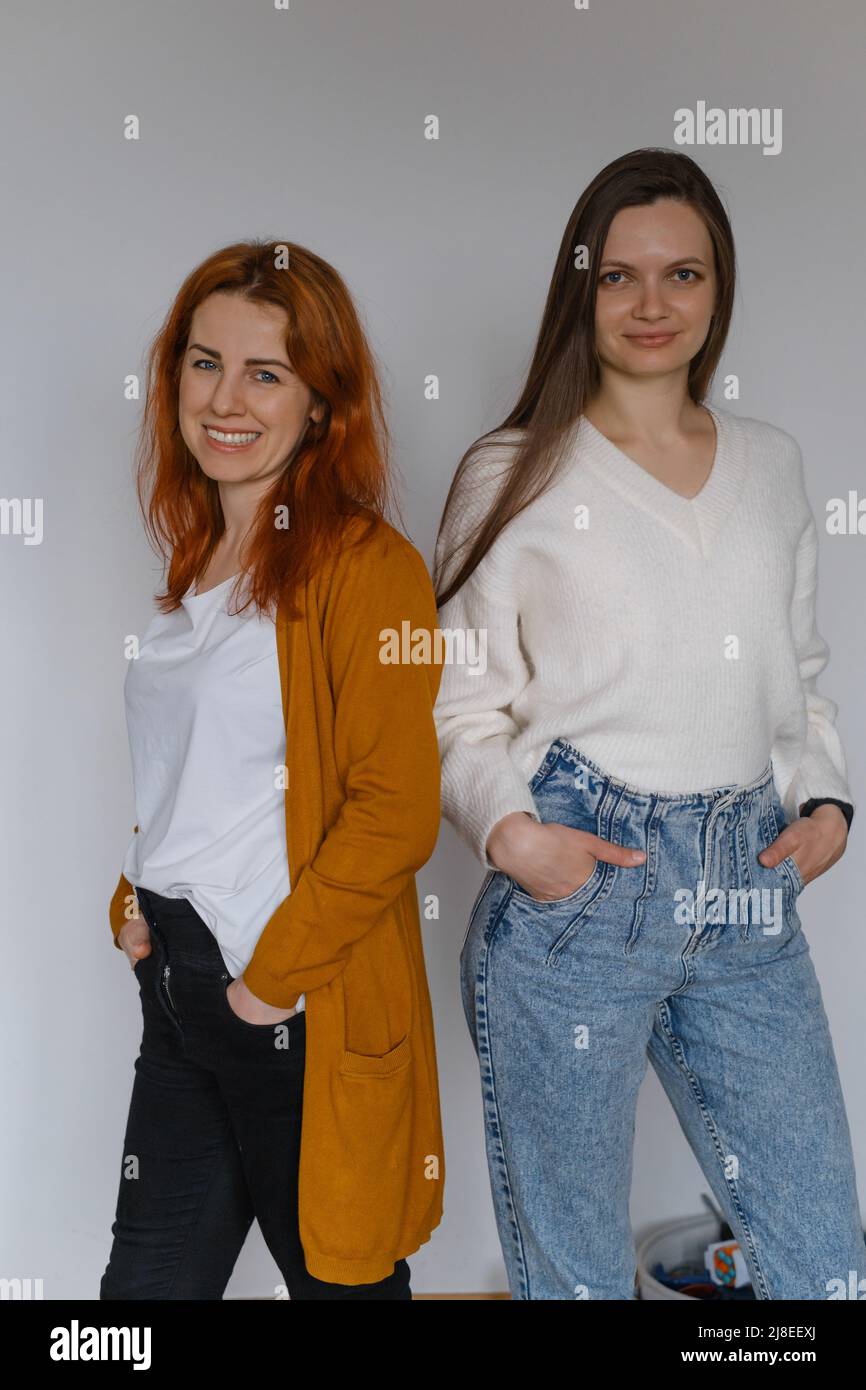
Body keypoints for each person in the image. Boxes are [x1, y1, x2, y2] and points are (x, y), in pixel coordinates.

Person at [432, 148, 861, 1300]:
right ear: (578, 287)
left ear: (718, 290)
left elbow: (798, 678)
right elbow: (457, 702)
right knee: (574, 1281)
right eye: (617, 276)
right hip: (577, 903)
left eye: (682, 274)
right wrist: (514, 839)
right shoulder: (509, 473)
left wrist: (825, 802)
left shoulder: (771, 467)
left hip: (744, 890)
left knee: (823, 1272)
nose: (651, 304)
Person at [102, 240, 445, 1300]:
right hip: (178, 988)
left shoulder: (368, 569)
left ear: (319, 401)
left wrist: (267, 985)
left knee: (342, 1281)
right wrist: (134, 893)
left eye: (265, 371)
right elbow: (193, 776)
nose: (225, 398)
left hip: (293, 1002)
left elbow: (395, 812)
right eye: (204, 363)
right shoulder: (195, 555)